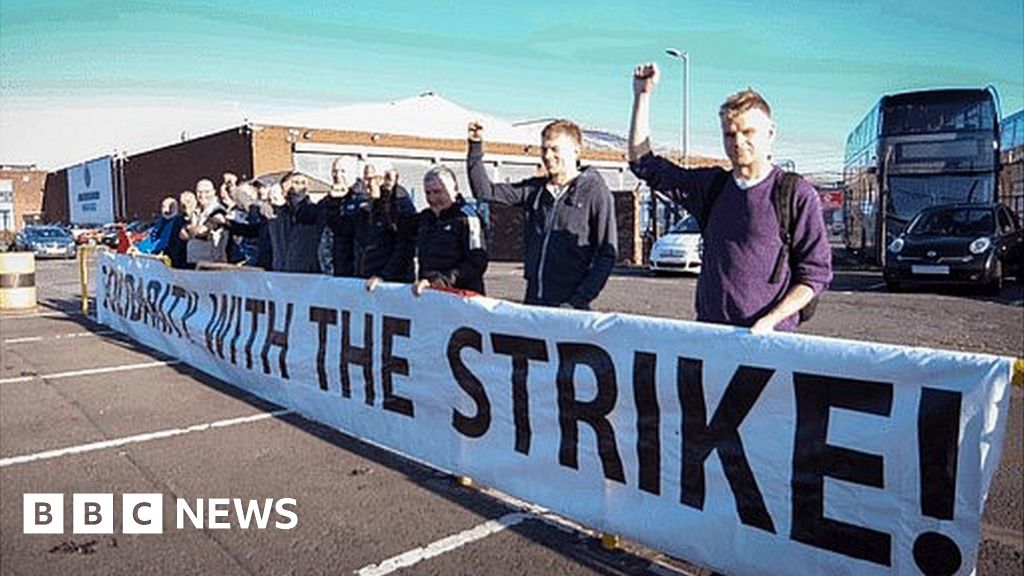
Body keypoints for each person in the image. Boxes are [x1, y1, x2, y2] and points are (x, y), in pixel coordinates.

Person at [628, 63, 832, 332]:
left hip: (769, 342)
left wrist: (771, 321)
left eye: (748, 132)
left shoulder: (795, 194)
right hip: (712, 337)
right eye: (729, 134)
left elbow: (815, 274)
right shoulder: (711, 187)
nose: (737, 141)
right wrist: (642, 96)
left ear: (770, 133)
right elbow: (643, 164)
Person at [467, 119, 618, 310]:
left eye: (555, 149)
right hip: (534, 303)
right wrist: (475, 147)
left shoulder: (595, 191)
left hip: (571, 308)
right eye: (544, 149)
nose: (547, 156)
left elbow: (607, 253)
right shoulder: (535, 190)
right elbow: (485, 192)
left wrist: (578, 300)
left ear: (576, 151)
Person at [377, 165, 488, 295]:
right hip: (430, 297)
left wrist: (441, 281)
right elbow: (395, 226)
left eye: (438, 192)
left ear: (454, 189)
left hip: (462, 299)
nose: (432, 198)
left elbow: (477, 262)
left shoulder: (467, 217)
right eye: (428, 193)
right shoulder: (425, 218)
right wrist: (388, 191)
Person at [329, 162, 416, 281]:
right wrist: (335, 202)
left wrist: (384, 276)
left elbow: (404, 247)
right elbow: (341, 230)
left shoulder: (398, 205)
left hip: (390, 284)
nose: (366, 184)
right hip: (364, 280)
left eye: (371, 179)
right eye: (365, 179)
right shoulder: (365, 210)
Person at [265, 171, 322, 273]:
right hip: (281, 274)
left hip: (306, 275)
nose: (295, 190)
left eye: (301, 183)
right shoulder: (277, 217)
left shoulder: (314, 213)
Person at [182, 179, 228, 266]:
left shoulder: (219, 211)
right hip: (193, 261)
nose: (203, 195)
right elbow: (182, 235)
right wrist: (191, 230)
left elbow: (202, 232)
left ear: (214, 192)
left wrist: (190, 229)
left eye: (207, 192)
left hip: (212, 264)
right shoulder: (196, 212)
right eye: (199, 192)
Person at [136, 196, 186, 268]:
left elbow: (164, 241)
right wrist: (138, 248)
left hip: (170, 260)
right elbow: (151, 238)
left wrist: (148, 251)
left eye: (171, 207)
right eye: (164, 206)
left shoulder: (177, 221)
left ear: (176, 208)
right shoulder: (160, 221)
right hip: (156, 257)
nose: (167, 209)